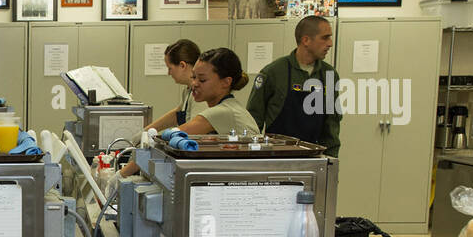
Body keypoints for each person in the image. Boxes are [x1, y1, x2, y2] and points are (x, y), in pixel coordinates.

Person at [119, 47, 258, 178]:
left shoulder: (223, 112)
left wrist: (120, 176)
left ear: (226, 82)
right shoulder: (228, 107)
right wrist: (145, 131)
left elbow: (161, 145)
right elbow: (176, 114)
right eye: (194, 77)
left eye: (202, 80)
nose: (195, 84)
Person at [245, 15, 341, 156]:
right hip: (276, 158)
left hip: (314, 159)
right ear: (306, 40)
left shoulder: (329, 74)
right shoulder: (274, 72)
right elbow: (254, 119)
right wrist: (254, 157)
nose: (330, 43)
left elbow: (332, 124)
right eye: (325, 38)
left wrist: (331, 161)